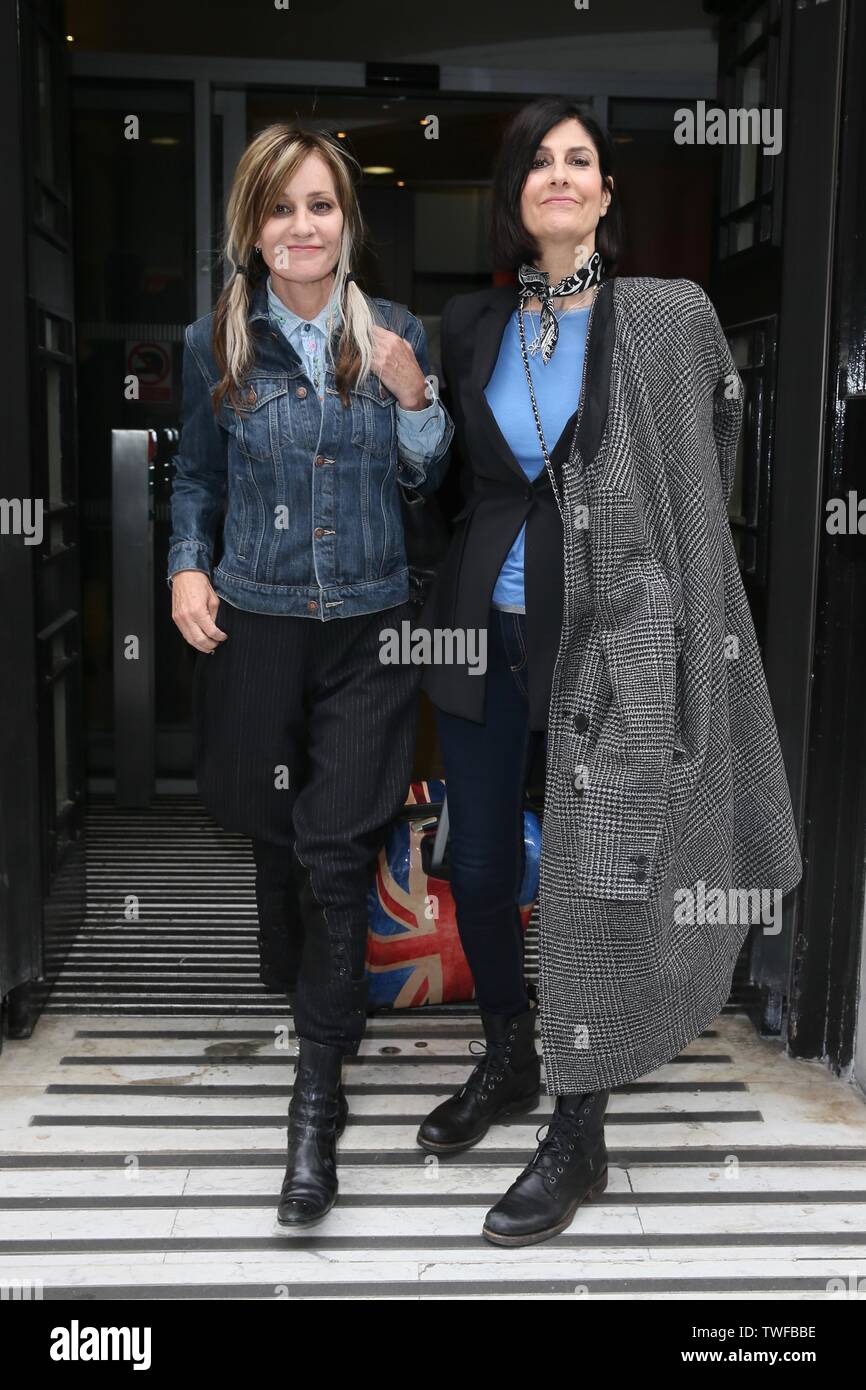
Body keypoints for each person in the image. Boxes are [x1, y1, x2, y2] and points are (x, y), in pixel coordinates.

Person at [417, 97, 803, 1247]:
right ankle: (508, 1054)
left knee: (598, 876)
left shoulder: (664, 317)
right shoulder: (470, 324)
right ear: (512, 192)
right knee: (480, 863)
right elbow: (445, 480)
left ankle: (578, 1129)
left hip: (613, 635)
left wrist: (672, 585)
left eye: (579, 160)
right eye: (538, 161)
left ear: (605, 193)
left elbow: (712, 443)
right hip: (484, 627)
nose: (560, 175)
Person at [167, 123, 453, 1228]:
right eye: (280, 207)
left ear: (346, 221)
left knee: (335, 853)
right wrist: (188, 568)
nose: (301, 226)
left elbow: (428, 479)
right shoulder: (214, 342)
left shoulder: (393, 330)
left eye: (320, 205)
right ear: (253, 225)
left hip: (372, 625)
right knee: (273, 832)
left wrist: (414, 395)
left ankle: (315, 1097)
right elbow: (195, 474)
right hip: (258, 621)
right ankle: (291, 954)